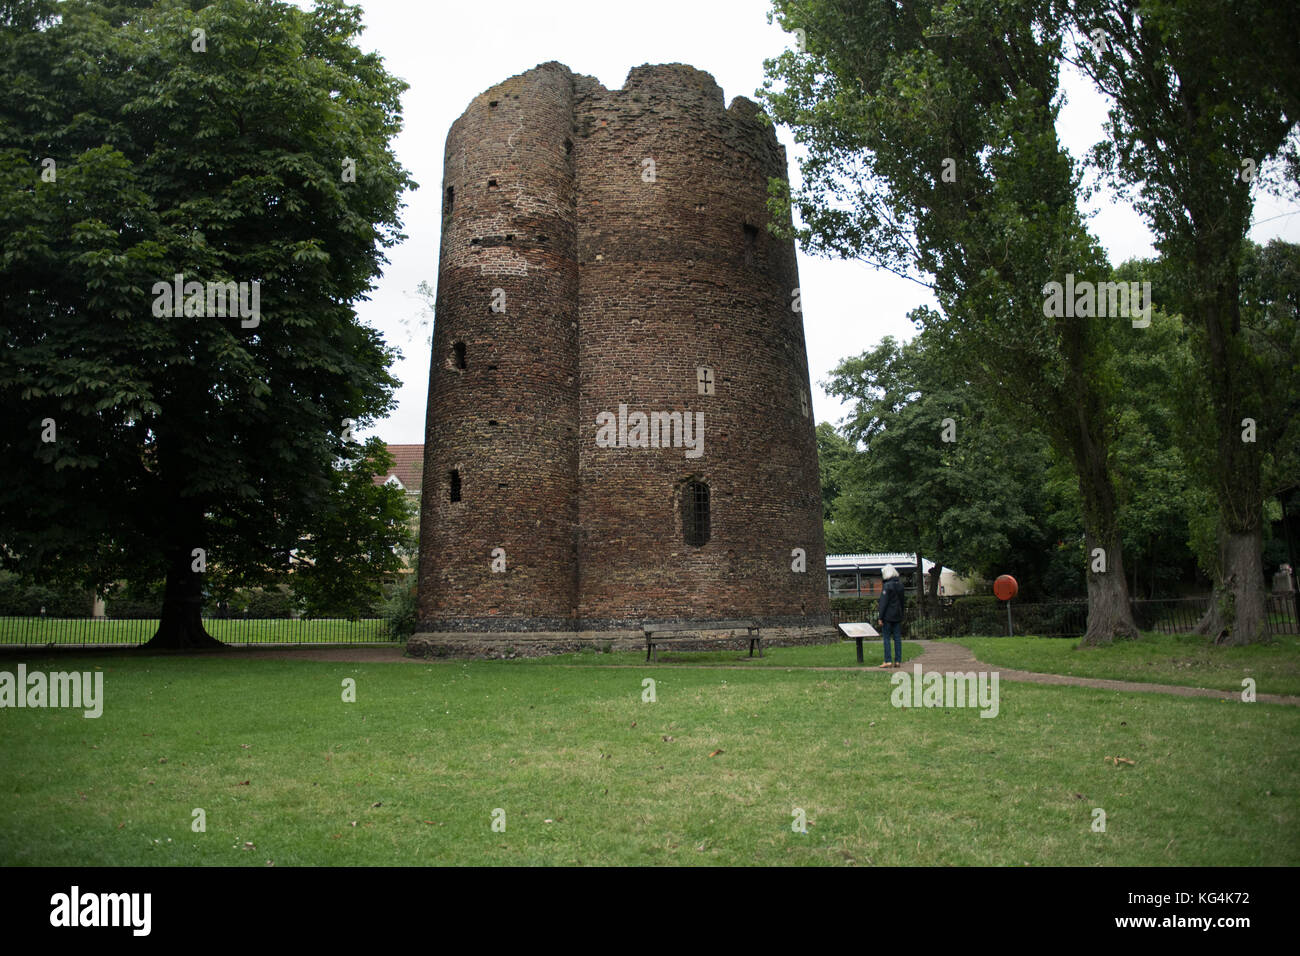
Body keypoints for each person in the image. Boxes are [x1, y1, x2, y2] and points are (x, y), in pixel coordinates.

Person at [876, 564, 905, 668]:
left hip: (888, 616)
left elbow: (883, 603)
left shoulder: (887, 586)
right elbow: (902, 602)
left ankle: (888, 660)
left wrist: (880, 617)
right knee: (897, 638)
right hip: (897, 614)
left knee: (887, 638)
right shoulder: (900, 585)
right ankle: (898, 660)